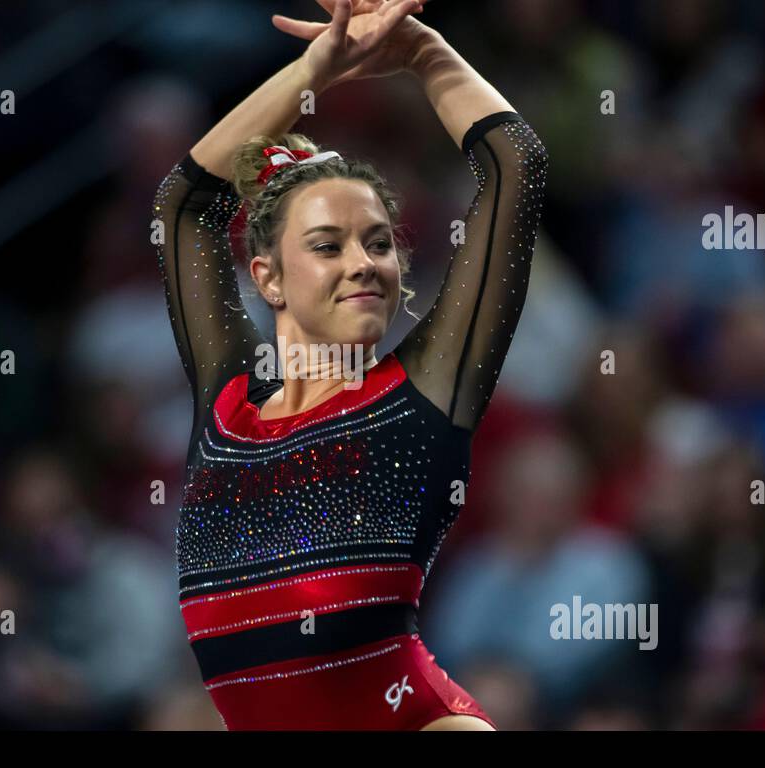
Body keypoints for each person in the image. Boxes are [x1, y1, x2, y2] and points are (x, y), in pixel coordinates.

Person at [152, 0, 547, 729]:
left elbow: (514, 163)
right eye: (329, 245)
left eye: (378, 243)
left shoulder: (420, 394)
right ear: (268, 277)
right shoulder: (227, 406)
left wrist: (423, 52)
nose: (364, 264)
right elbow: (185, 205)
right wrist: (313, 71)